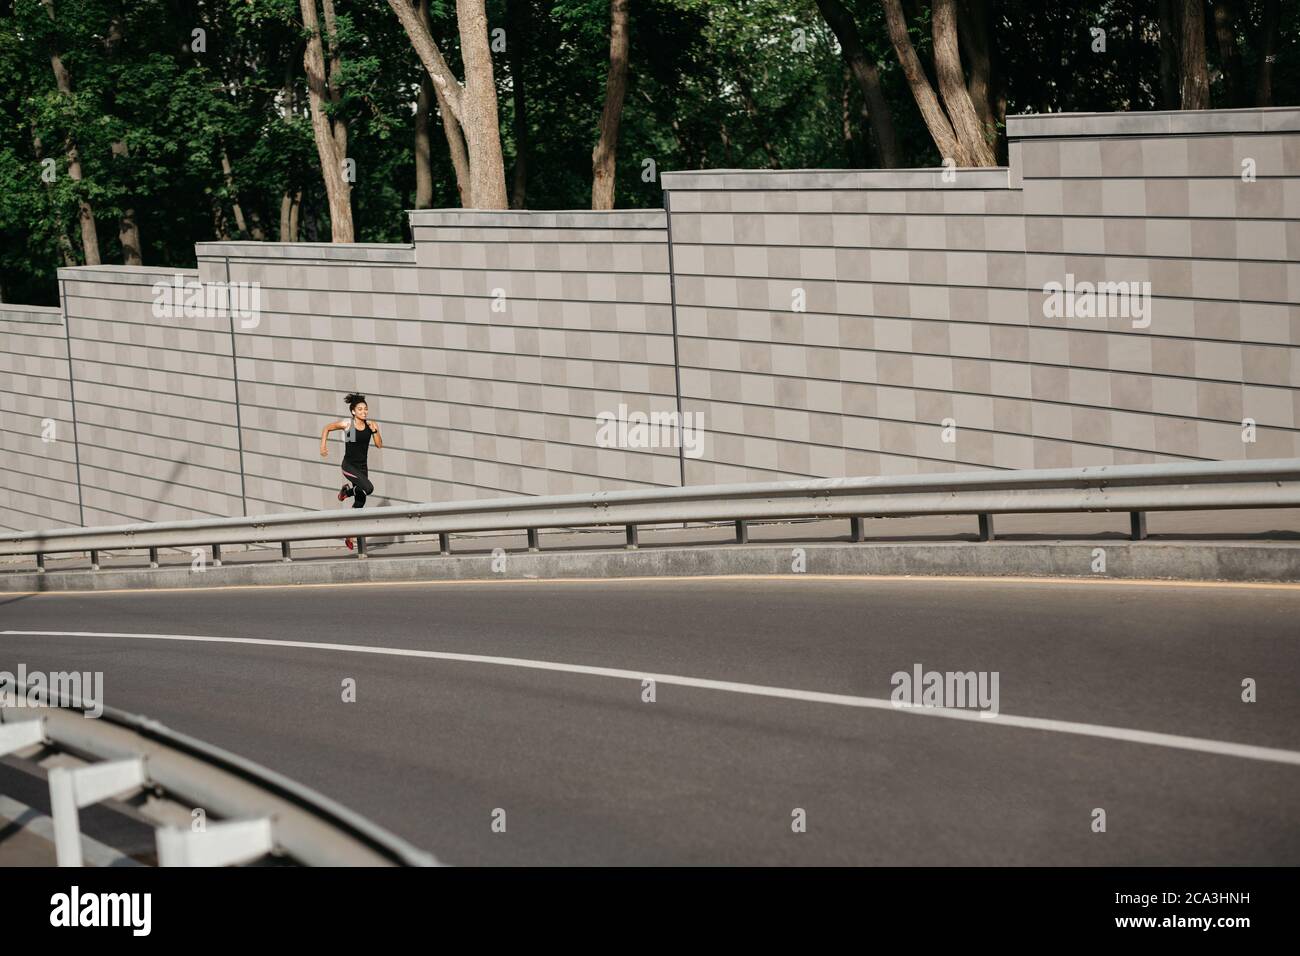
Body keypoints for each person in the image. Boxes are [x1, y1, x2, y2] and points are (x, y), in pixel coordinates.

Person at [320, 392, 382, 551]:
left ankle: (349, 534)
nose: (364, 412)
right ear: (353, 411)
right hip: (348, 466)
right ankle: (346, 493)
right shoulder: (349, 424)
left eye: (365, 409)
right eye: (360, 409)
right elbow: (327, 428)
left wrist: (376, 431)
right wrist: (323, 446)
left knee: (361, 500)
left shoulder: (370, 425)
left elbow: (379, 445)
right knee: (368, 489)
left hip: (362, 467)